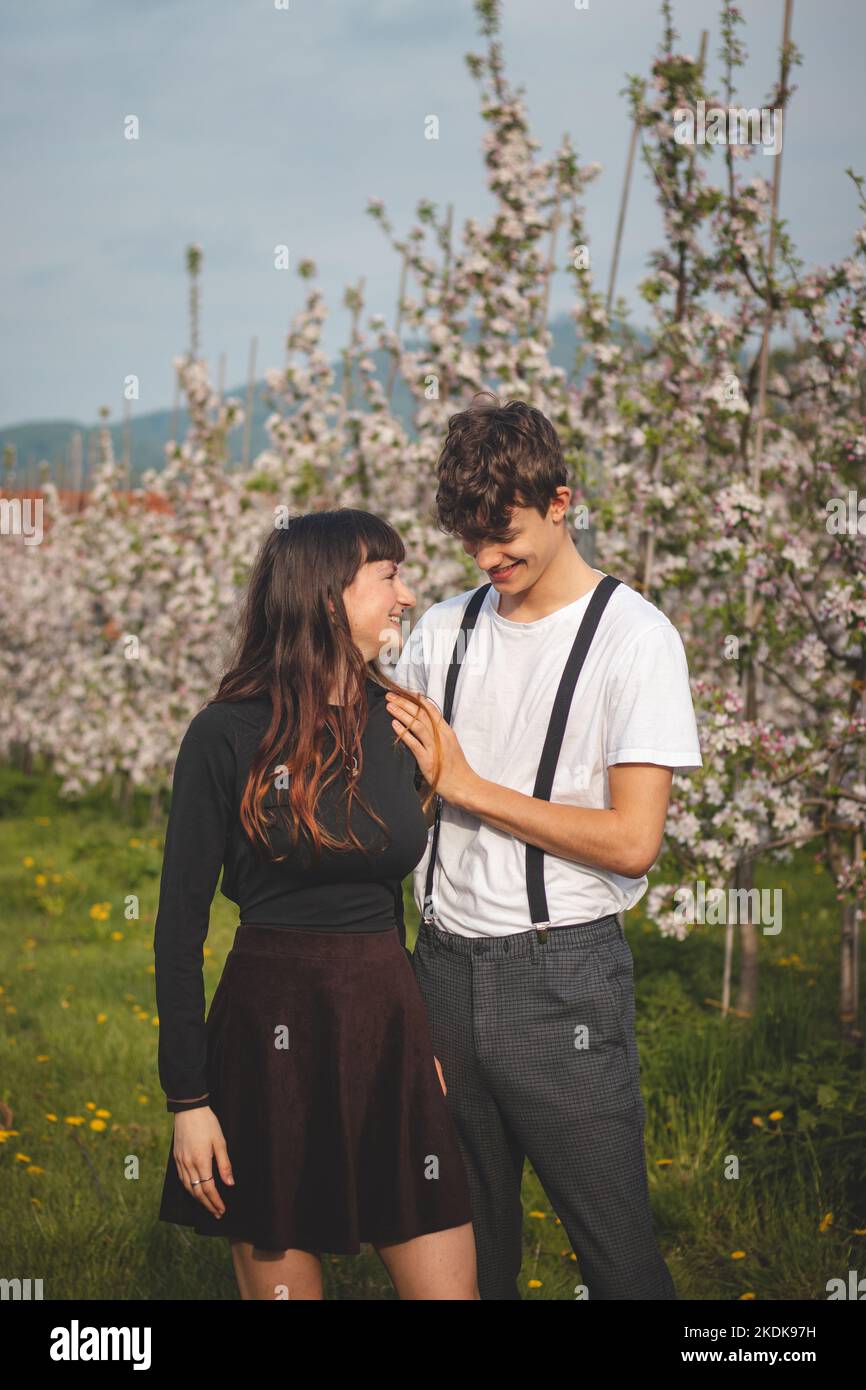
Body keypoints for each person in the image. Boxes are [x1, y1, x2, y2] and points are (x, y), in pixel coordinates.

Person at [387, 392, 703, 1300]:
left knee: (619, 1259)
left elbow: (634, 841)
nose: (491, 559)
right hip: (440, 973)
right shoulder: (442, 630)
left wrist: (471, 788)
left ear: (561, 502)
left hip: (563, 976)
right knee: (466, 1260)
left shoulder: (636, 640)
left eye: (507, 533)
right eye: (472, 540)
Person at [154, 508, 478, 1300]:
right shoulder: (226, 734)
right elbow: (177, 929)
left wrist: (418, 1030)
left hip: (388, 1023)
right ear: (329, 597)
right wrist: (188, 1101)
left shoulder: (406, 723)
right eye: (389, 576)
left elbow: (411, 895)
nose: (408, 594)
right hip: (266, 1037)